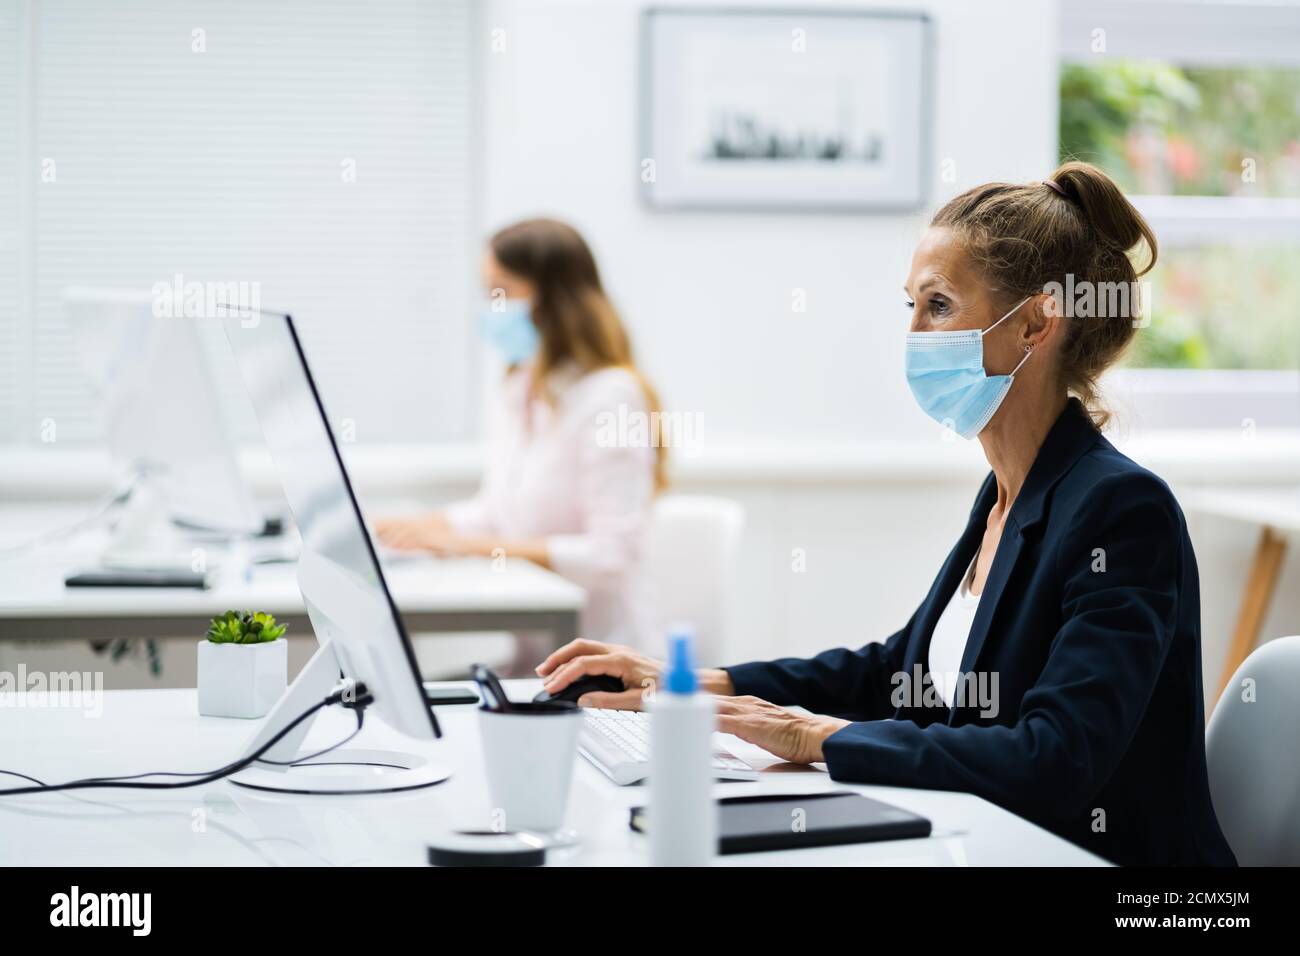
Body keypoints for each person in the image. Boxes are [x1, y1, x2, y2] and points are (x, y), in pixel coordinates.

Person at [534, 163, 1237, 867]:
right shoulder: (1005, 495)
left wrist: (815, 737)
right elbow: (897, 672)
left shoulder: (1121, 509)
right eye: (910, 306)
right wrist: (705, 684)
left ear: (1032, 322)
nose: (915, 333)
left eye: (938, 305)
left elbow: (1056, 756)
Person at [376, 218, 664, 661]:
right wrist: (415, 528)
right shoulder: (524, 388)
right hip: (538, 657)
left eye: (502, 291)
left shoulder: (612, 398)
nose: (490, 307)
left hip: (605, 661)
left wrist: (469, 547)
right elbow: (497, 512)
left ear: (556, 300)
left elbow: (613, 555)